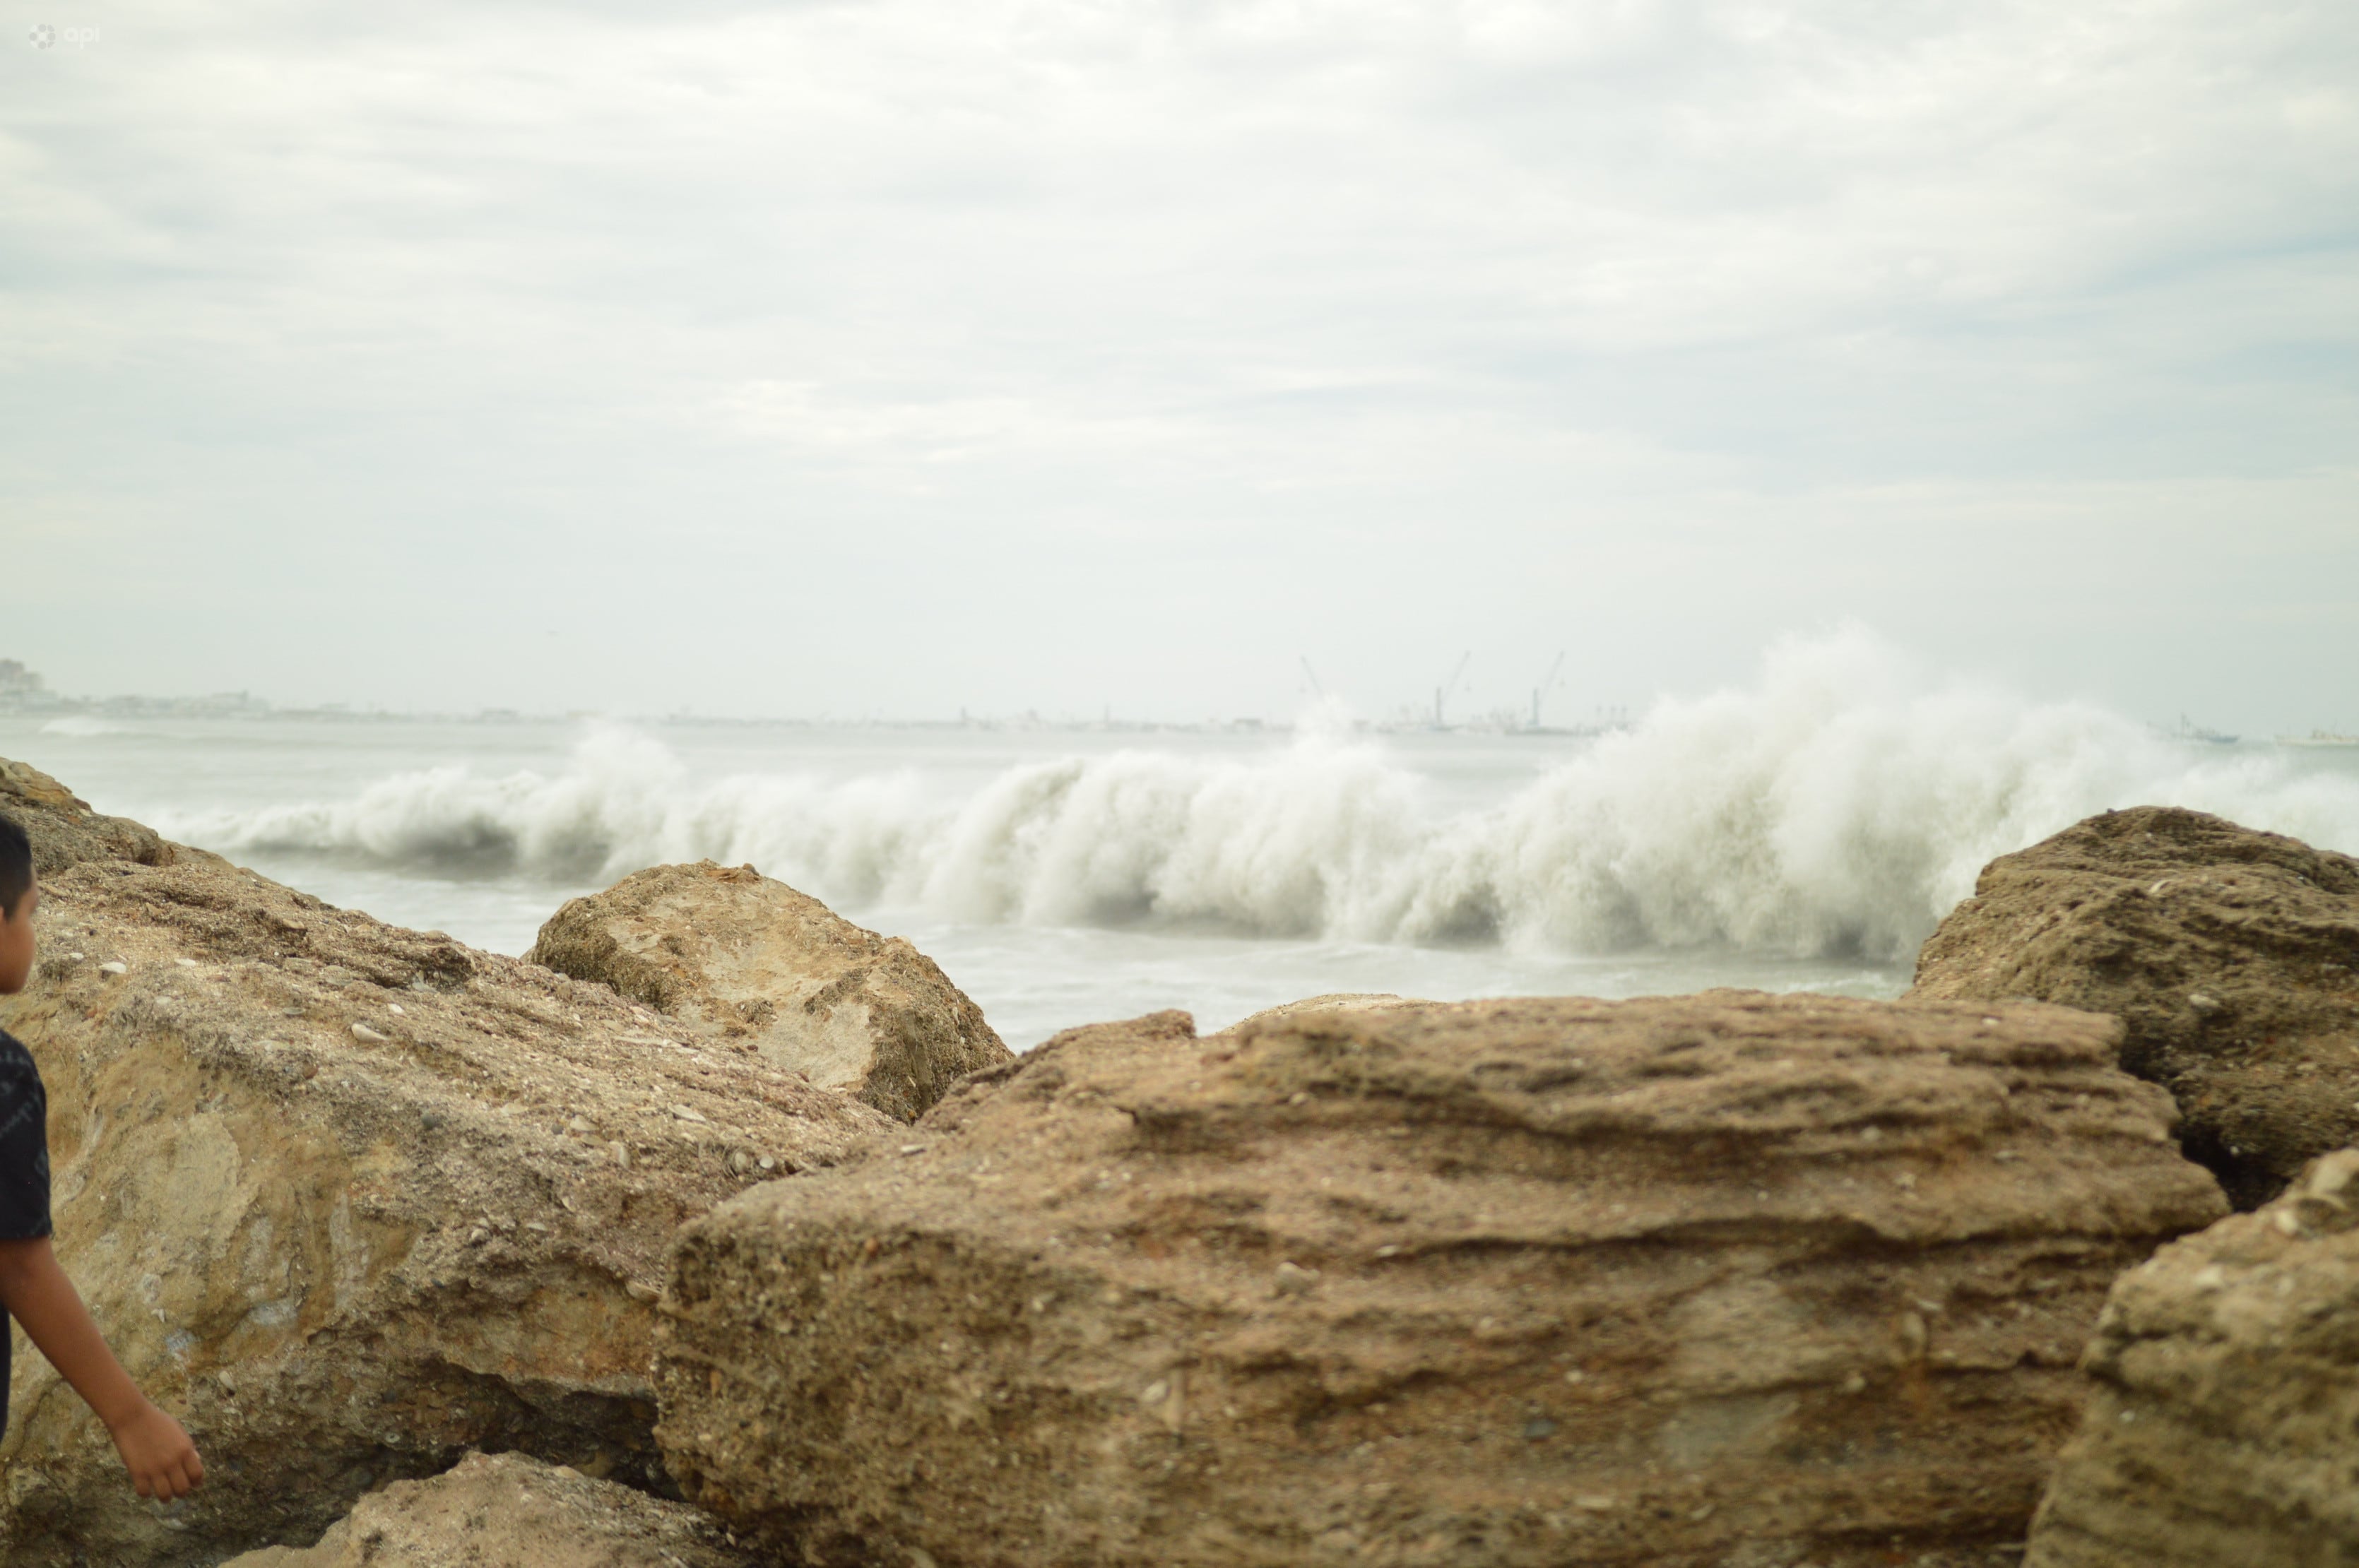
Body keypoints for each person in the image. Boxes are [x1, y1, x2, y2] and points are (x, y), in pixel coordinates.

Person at [0, 812, 203, 1500]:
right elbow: (19, 1264)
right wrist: (131, 1416)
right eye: (28, 914)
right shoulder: (3, 1076)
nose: (33, 935)